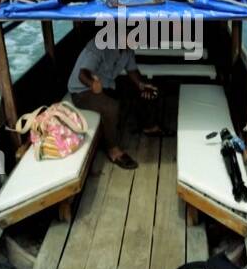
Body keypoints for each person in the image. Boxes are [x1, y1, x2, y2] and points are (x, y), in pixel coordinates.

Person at [68, 38, 170, 170]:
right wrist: (92, 84)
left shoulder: (127, 49)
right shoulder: (100, 44)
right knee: (111, 107)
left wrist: (142, 85)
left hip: (105, 86)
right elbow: (83, 74)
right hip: (82, 91)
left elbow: (132, 70)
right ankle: (113, 150)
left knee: (140, 89)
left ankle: (148, 126)